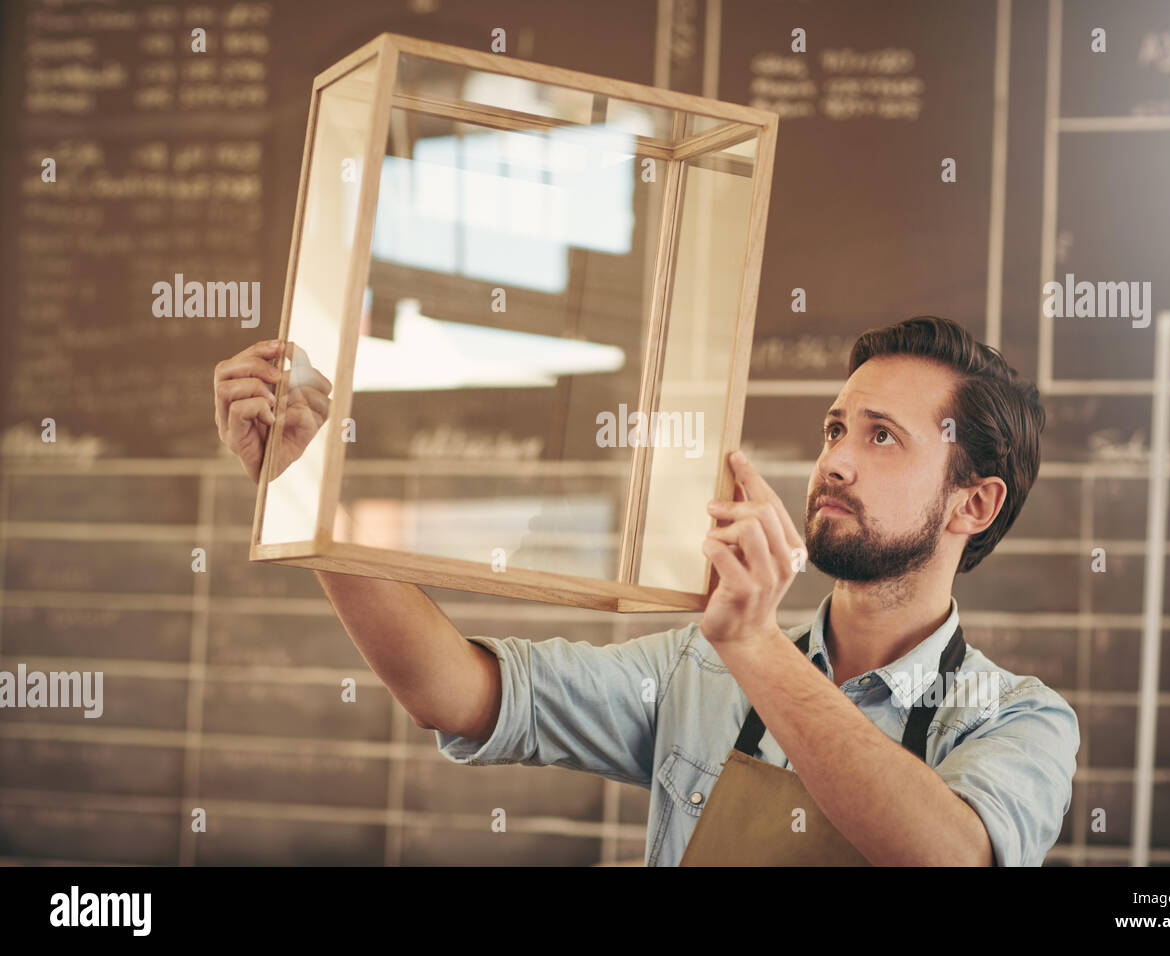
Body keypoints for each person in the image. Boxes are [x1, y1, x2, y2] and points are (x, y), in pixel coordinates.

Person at [214, 314, 1079, 866]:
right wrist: (299, 486)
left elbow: (950, 856)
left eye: (883, 437)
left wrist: (753, 644)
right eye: (835, 429)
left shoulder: (1015, 718)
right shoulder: (692, 670)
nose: (836, 461)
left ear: (975, 501)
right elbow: (452, 691)